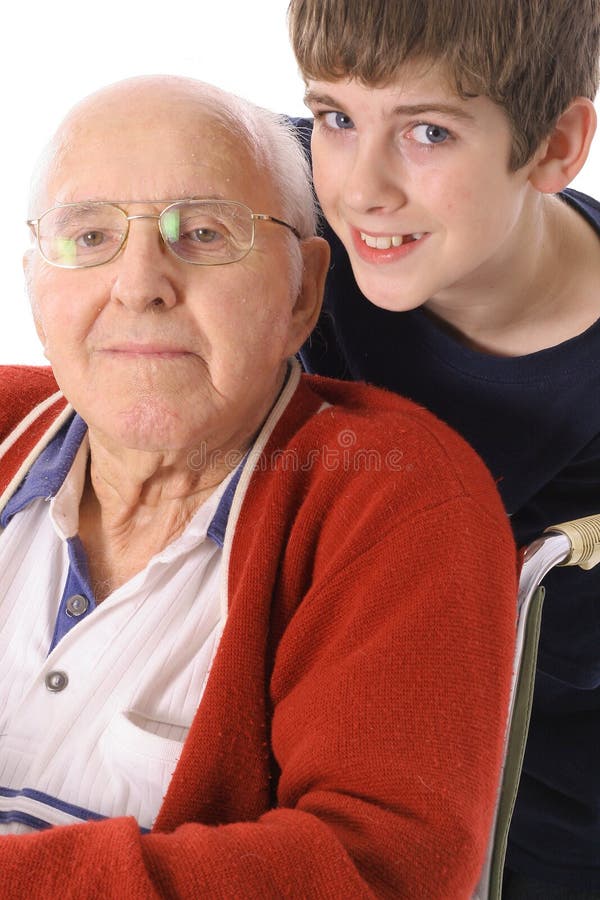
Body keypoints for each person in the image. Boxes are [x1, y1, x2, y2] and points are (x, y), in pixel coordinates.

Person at [0, 74, 515, 897]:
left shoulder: (393, 496)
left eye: (203, 234)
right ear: (36, 284)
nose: (139, 285)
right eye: (90, 236)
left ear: (304, 291)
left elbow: (377, 870)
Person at [286, 0, 600, 896]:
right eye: (337, 118)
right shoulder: (278, 195)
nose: (361, 189)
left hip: (536, 824)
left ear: (555, 147)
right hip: (282, 746)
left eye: (428, 130)